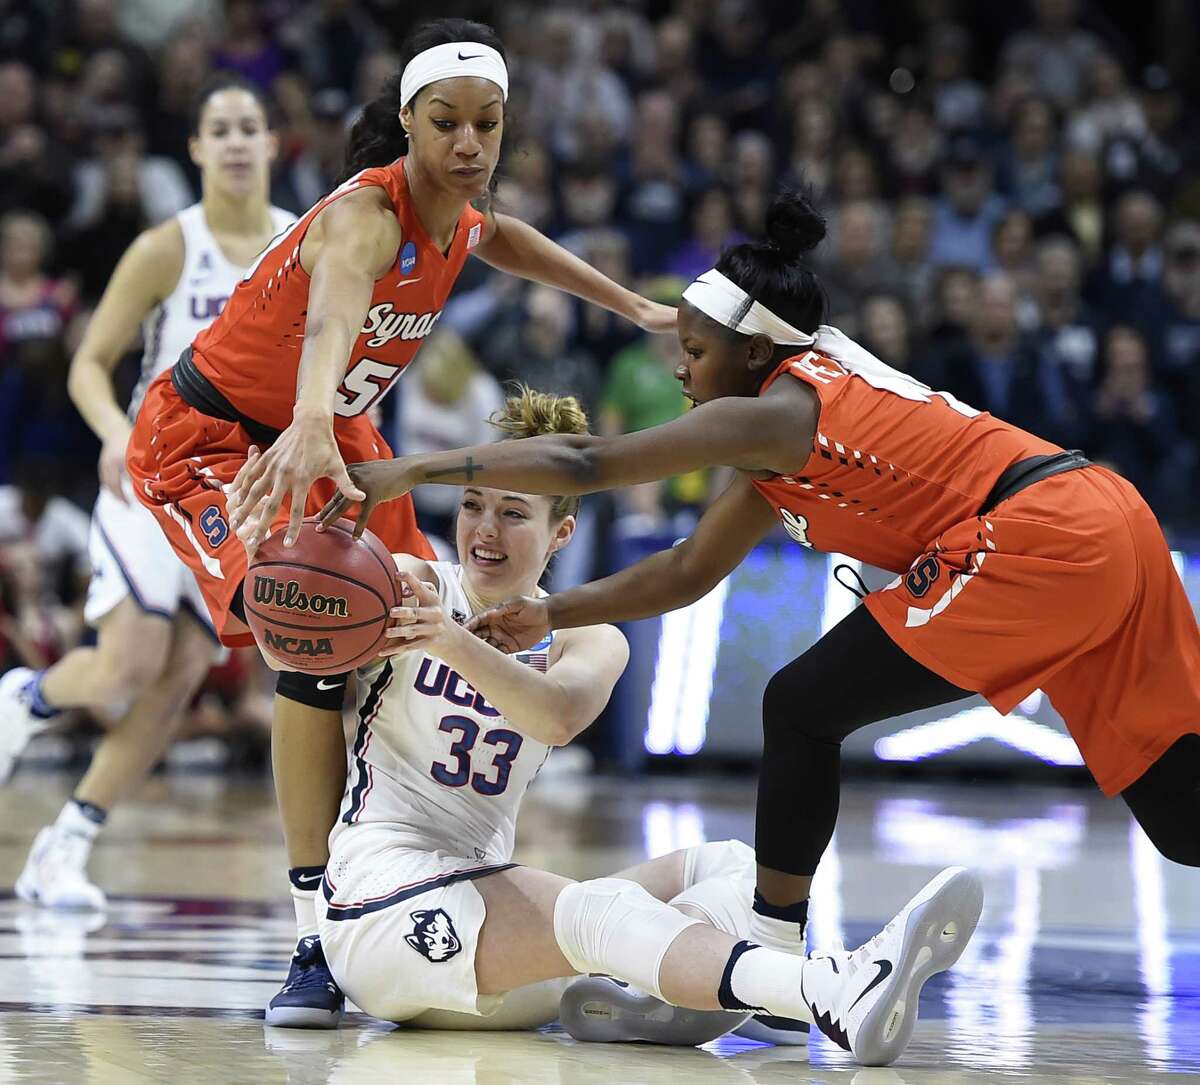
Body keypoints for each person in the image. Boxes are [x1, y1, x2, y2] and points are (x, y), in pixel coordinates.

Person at [319, 187, 1200, 1052]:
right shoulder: (773, 445)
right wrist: (550, 608)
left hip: (1037, 533)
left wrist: (417, 470)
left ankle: (779, 960)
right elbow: (686, 570)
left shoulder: (782, 409)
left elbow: (589, 461)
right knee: (1181, 815)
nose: (681, 370)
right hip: (1107, 518)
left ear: (753, 352)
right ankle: (773, 964)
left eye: (696, 351)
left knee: (802, 705)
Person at [128, 18, 673, 1028]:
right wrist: (308, 415)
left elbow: (506, 238)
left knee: (425, 614)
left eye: (487, 125)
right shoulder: (366, 218)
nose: (469, 143)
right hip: (214, 437)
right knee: (306, 636)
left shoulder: (459, 219)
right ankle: (314, 933)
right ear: (408, 125)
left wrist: (635, 308)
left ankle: (424, 851)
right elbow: (335, 308)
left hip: (333, 429)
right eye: (446, 122)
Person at [310, 387, 981, 1068]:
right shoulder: (407, 584)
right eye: (473, 506)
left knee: (735, 867)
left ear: (561, 533)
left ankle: (671, 994)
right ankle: (822, 989)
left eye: (513, 513)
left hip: (492, 945)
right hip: (380, 910)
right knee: (591, 913)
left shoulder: (589, 638)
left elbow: (556, 715)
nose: (485, 530)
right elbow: (298, 637)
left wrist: (451, 643)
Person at [0, 73, 295, 908]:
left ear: (273, 145)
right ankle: (27, 694)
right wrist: (112, 433)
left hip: (236, 498)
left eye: (249, 127)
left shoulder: (301, 243)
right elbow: (90, 362)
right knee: (125, 667)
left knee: (182, 674)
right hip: (153, 474)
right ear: (196, 148)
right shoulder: (168, 245)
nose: (236, 142)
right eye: (220, 129)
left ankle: (64, 846)